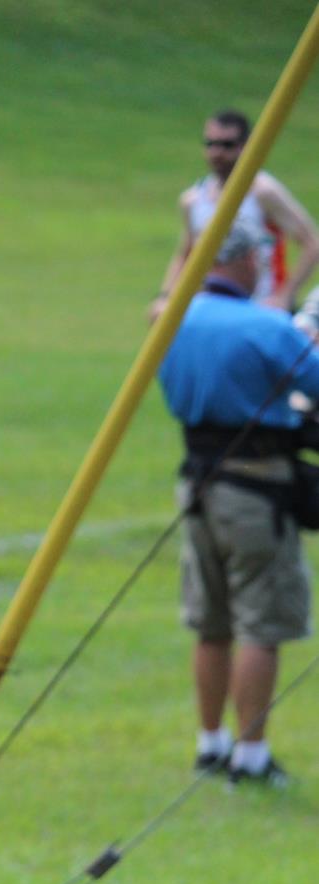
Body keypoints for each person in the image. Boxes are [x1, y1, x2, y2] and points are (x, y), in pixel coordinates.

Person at [159, 218, 319, 784]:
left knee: (212, 622)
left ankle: (211, 743)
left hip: (197, 487)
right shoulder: (266, 327)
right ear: (248, 260)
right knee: (261, 624)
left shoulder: (174, 319)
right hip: (258, 490)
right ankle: (251, 757)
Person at [150, 108, 319, 322]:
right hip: (215, 311)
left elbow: (312, 243)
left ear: (246, 146)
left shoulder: (263, 192)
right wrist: (166, 297)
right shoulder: (193, 200)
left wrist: (284, 297)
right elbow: (186, 253)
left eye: (227, 145)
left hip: (262, 312)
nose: (217, 152)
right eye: (210, 144)